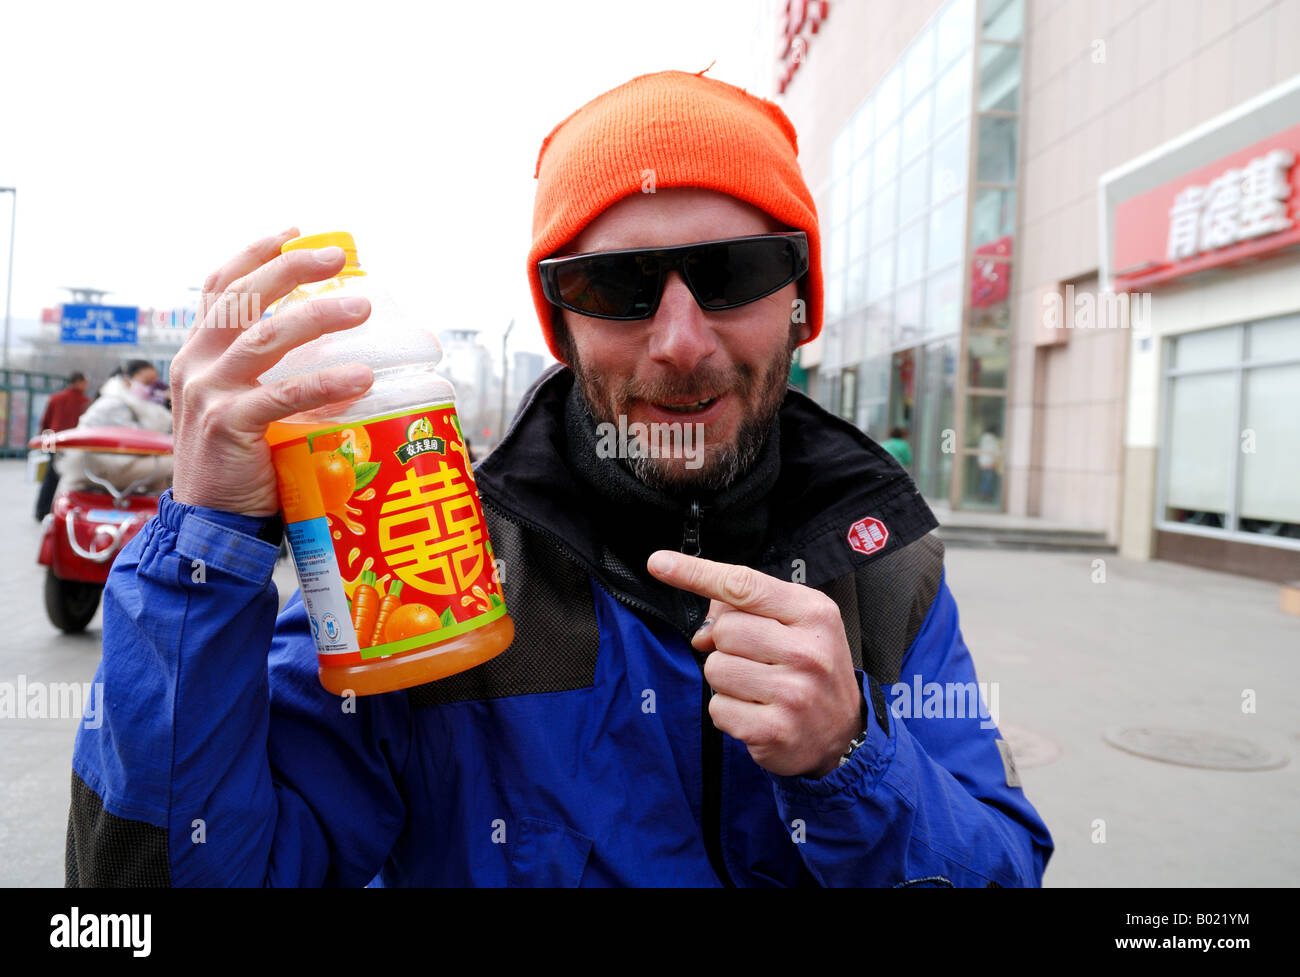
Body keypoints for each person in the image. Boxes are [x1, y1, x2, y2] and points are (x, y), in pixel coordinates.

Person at [66, 70, 1052, 887]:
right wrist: (203, 550)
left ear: (799, 301)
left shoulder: (883, 564)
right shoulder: (425, 564)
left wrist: (852, 760)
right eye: (615, 285)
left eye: (734, 272)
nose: (678, 340)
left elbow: (1003, 868)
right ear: (561, 322)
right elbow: (147, 894)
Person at [56, 359, 174, 497]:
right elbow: (139, 442)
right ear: (127, 380)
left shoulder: (115, 400)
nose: (152, 388)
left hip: (97, 464)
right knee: (176, 465)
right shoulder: (116, 404)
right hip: (106, 467)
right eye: (147, 382)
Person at [34, 371, 91, 521]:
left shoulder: (55, 398)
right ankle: (67, 513)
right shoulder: (85, 401)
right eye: (85, 382)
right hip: (74, 445)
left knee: (50, 478)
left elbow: (46, 422)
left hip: (54, 442)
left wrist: (45, 445)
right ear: (78, 382)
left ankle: (41, 511)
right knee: (73, 478)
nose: (86, 386)